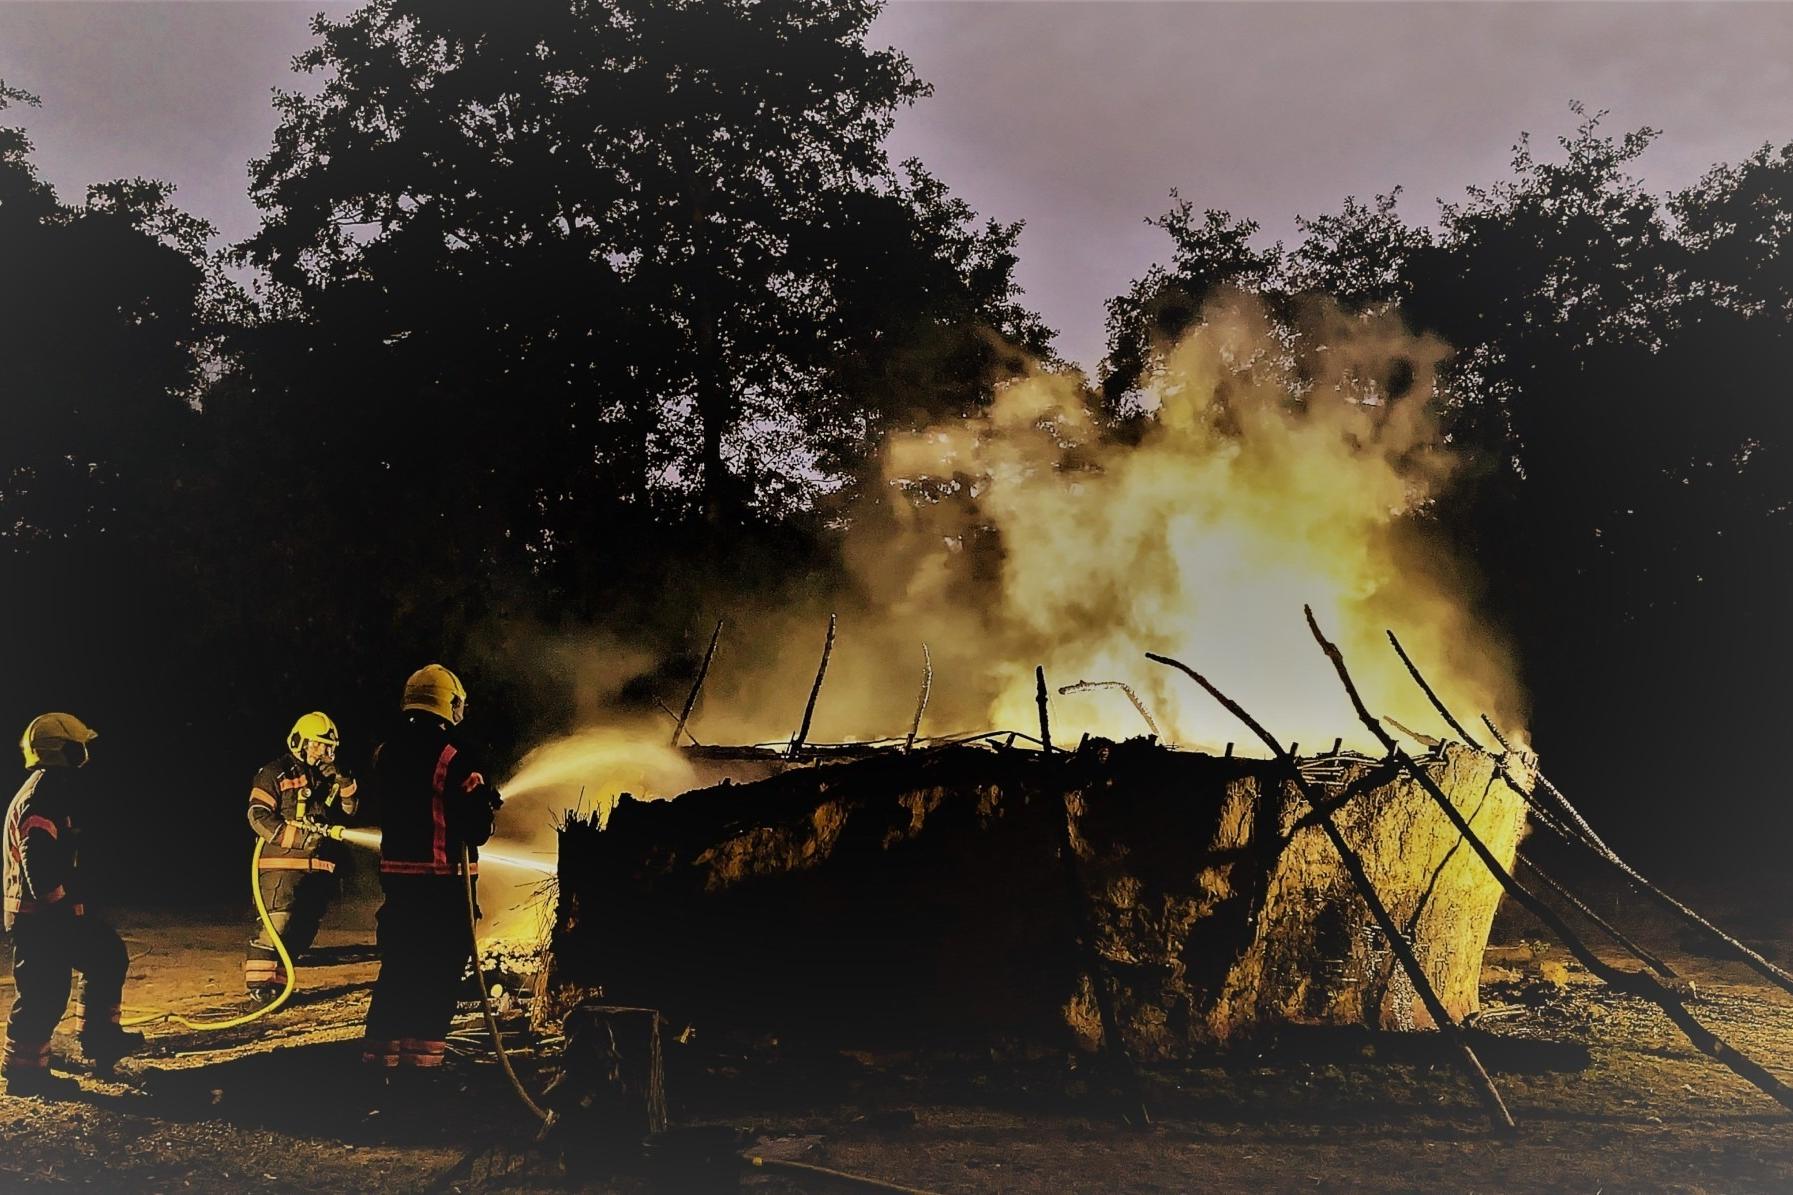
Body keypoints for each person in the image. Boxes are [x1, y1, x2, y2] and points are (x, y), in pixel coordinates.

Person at [361, 665, 502, 1076]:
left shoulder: (386, 753)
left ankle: (379, 1064)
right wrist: (485, 807)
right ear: (450, 703)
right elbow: (476, 828)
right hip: (443, 890)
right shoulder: (454, 756)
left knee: (399, 973)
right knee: (436, 980)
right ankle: (420, 1071)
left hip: (400, 890)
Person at [3, 714, 143, 1097]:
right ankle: (23, 1073)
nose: (84, 754)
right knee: (44, 993)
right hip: (40, 919)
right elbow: (39, 867)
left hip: (52, 914)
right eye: (77, 746)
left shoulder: (52, 788)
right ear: (60, 750)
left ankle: (99, 1040)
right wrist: (64, 909)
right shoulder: (43, 794)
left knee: (107, 954)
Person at [243, 712, 359, 1004]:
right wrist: (300, 838)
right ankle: (259, 986)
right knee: (276, 925)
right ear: (300, 742)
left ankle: (279, 987)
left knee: (304, 929)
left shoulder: (328, 777)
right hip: (282, 866)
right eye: (319, 745)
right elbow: (258, 816)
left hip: (318, 869)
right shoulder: (275, 773)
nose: (325, 753)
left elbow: (350, 811)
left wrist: (345, 780)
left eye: (330, 747)